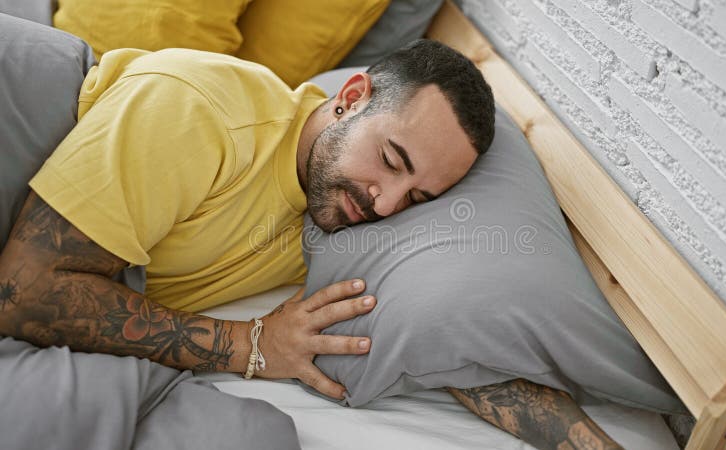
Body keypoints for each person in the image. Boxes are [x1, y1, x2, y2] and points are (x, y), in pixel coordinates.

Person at [0, 39, 621, 449]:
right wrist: (247, 343)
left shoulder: (344, 215)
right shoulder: (204, 111)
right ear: (350, 98)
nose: (385, 204)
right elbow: (23, 293)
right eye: (390, 159)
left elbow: (441, 342)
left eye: (418, 198)